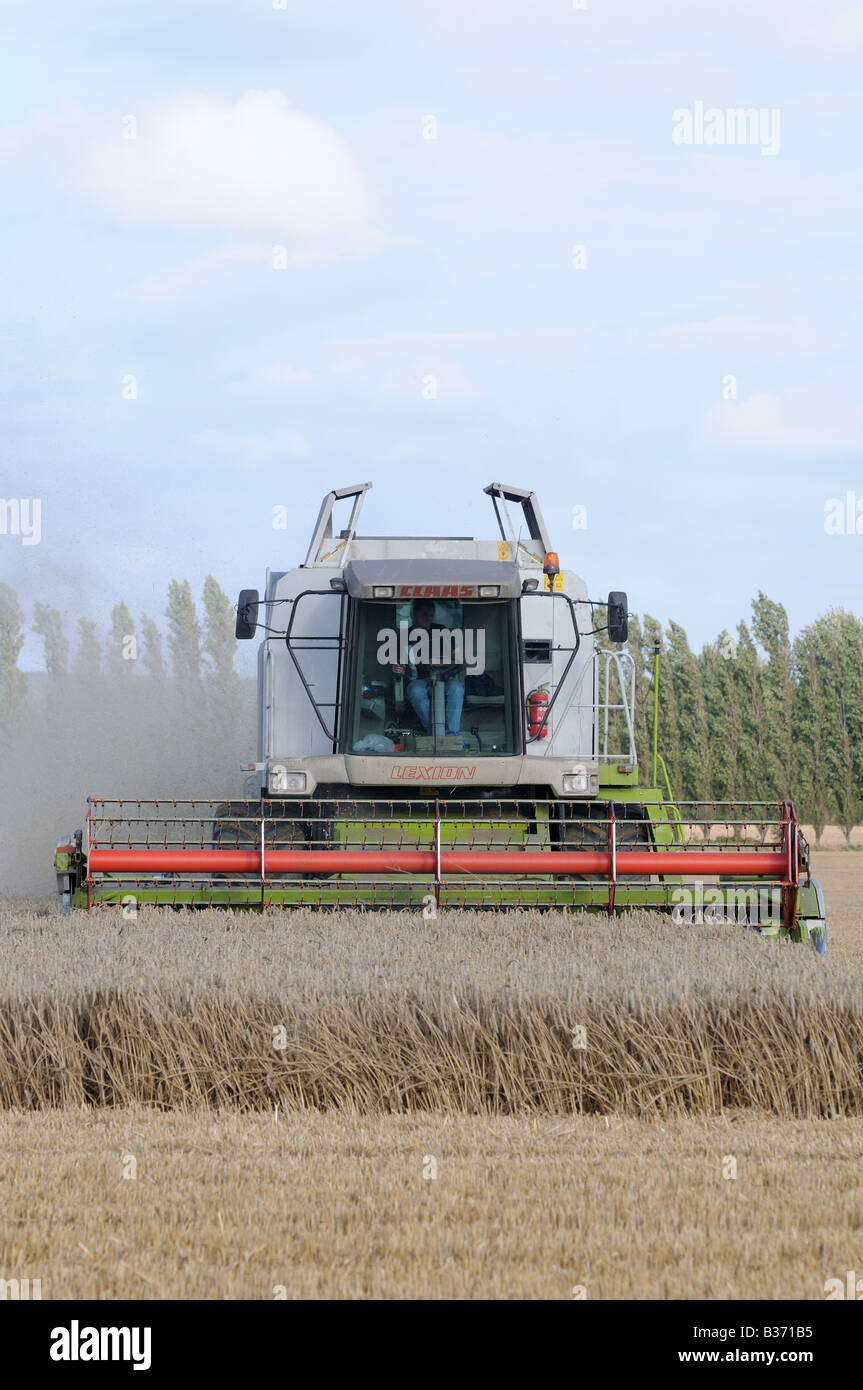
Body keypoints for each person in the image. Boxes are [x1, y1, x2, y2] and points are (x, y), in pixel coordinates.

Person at [392, 599, 464, 738]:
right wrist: (398, 669)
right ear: (414, 614)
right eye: (424, 614)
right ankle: (435, 734)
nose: (428, 618)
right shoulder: (403, 636)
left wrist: (437, 662)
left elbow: (459, 658)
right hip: (418, 678)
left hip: (445, 677)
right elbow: (399, 663)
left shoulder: (441, 631)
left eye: (431, 615)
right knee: (415, 691)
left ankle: (451, 735)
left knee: (457, 689)